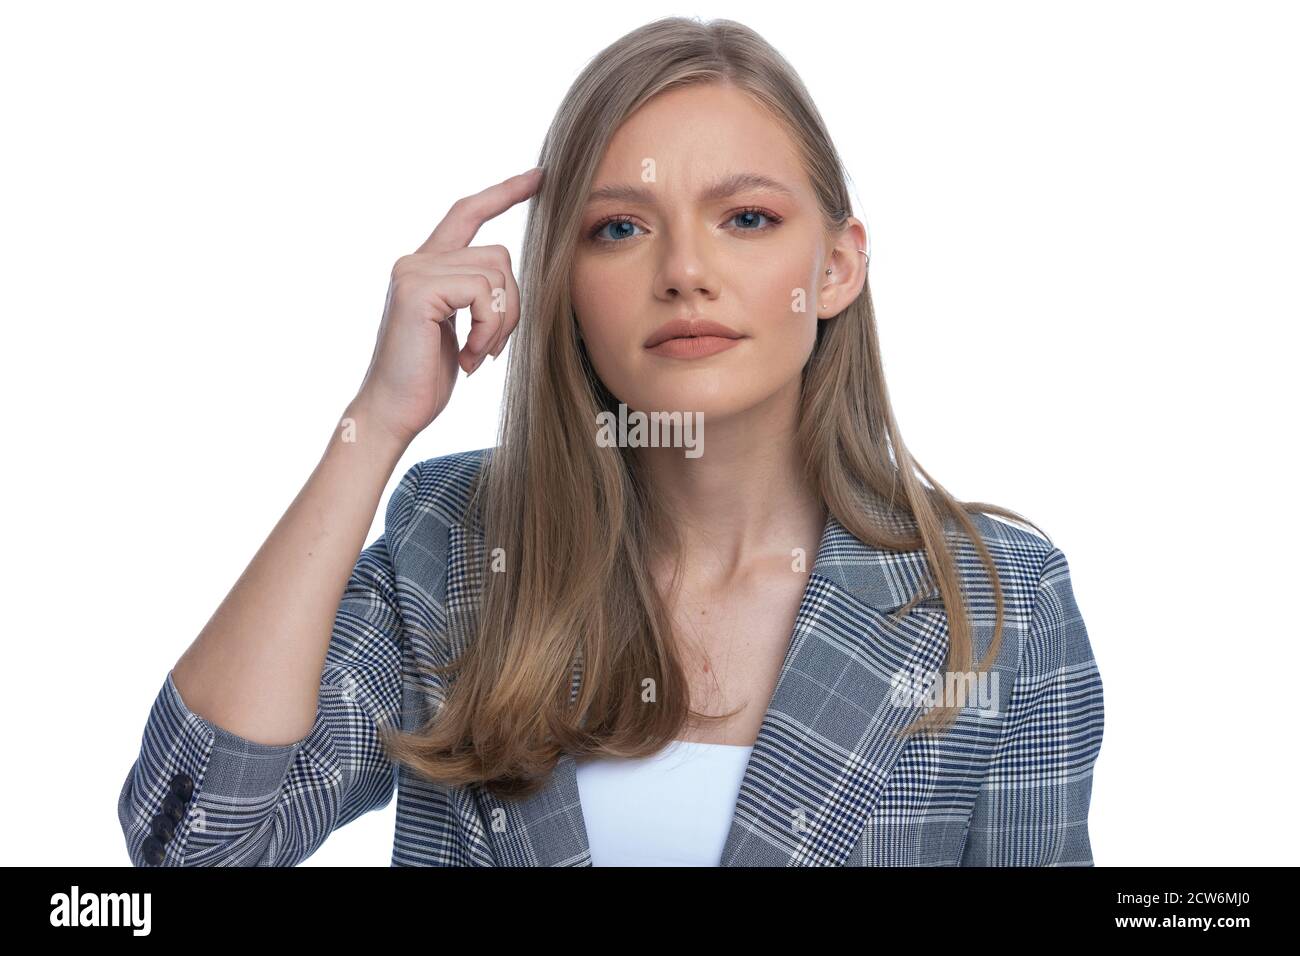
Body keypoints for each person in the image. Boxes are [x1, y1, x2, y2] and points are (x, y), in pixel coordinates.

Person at [119, 16, 1104, 867]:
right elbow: (195, 840)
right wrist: (375, 421)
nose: (683, 269)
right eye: (620, 229)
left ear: (837, 267)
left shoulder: (998, 600)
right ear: (560, 283)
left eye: (747, 217)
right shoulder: (452, 547)